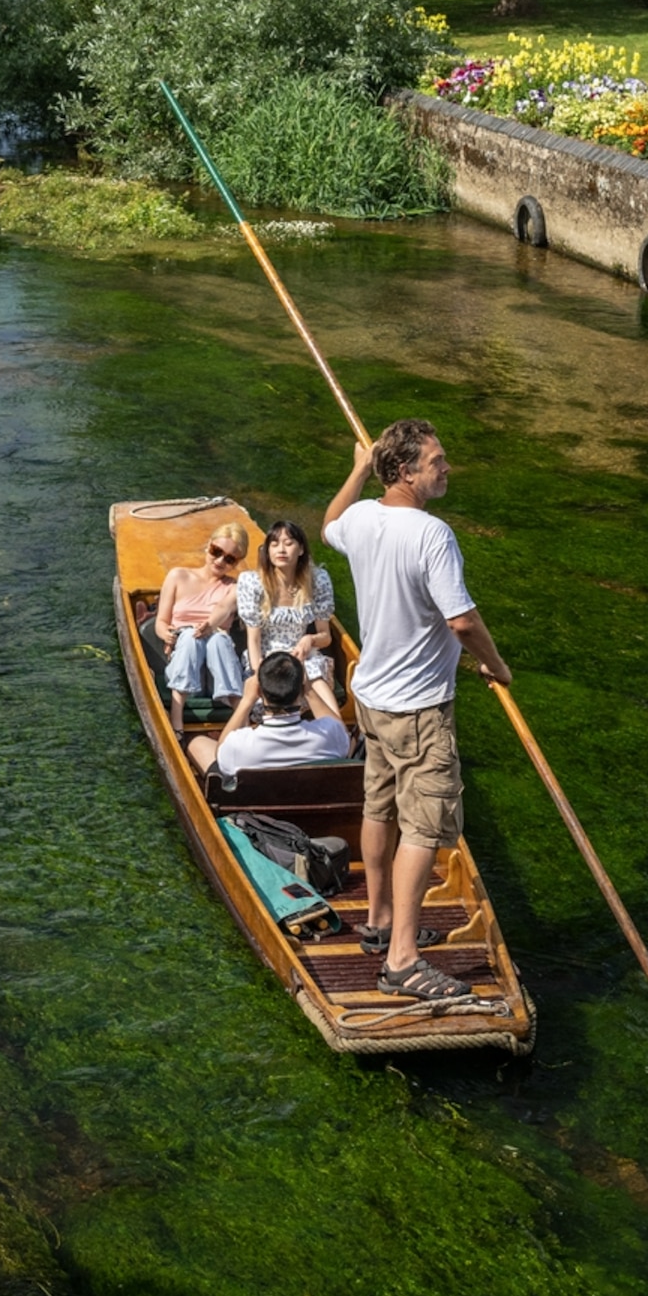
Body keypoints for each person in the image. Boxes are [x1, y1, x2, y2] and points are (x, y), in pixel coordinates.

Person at [322, 418, 510, 1001]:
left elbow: (328, 524)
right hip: (418, 708)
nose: (446, 467)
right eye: (437, 460)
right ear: (405, 471)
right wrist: (496, 665)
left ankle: (380, 922)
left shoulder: (361, 520)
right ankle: (402, 961)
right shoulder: (432, 535)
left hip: (372, 697)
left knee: (379, 809)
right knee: (423, 827)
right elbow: (461, 620)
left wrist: (356, 469)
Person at [189, 653, 351, 775]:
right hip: (312, 801)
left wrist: (246, 701)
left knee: (196, 743)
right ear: (300, 691)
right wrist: (308, 688)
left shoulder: (241, 744)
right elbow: (341, 732)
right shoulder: (330, 734)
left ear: (259, 691)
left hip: (259, 810)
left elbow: (220, 752)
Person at [236, 520, 339, 698]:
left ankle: (337, 724)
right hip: (267, 657)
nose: (281, 550)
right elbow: (253, 640)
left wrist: (310, 640)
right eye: (274, 544)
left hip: (303, 656)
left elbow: (325, 637)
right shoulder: (252, 583)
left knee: (312, 673)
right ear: (268, 551)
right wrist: (259, 670)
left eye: (289, 543)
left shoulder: (317, 581)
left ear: (301, 550)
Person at [153, 522, 251, 709]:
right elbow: (161, 622)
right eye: (216, 551)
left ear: (236, 563)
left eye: (229, 559)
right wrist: (166, 634)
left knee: (217, 640)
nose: (220, 561)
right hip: (183, 663)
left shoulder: (234, 588)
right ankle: (176, 714)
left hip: (219, 671)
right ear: (208, 545)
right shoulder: (178, 576)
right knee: (190, 637)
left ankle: (239, 713)